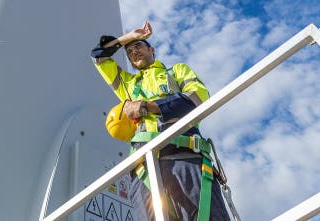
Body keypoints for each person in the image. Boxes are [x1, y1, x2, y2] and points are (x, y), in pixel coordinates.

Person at [91, 21, 231, 221]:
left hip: (185, 159)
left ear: (151, 49)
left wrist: (147, 106)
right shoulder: (128, 85)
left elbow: (197, 99)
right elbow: (98, 55)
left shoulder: (176, 72)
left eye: (138, 46)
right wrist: (129, 37)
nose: (134, 52)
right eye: (129, 51)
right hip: (145, 172)